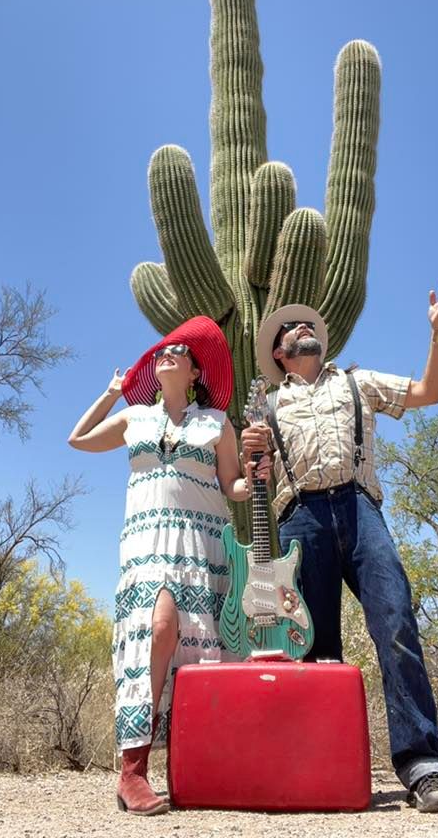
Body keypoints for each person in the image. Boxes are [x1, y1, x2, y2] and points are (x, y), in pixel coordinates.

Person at [241, 276, 438, 814]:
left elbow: (429, 393)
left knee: (397, 623)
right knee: (312, 646)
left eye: (307, 324)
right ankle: (325, 769)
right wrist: (256, 462)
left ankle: (422, 767)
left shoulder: (358, 383)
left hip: (361, 508)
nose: (302, 328)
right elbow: (254, 483)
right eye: (291, 329)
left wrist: (437, 334)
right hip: (299, 519)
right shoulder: (265, 407)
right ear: (280, 353)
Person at [68, 316, 267, 816]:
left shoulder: (216, 423)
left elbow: (232, 487)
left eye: (178, 350)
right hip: (145, 540)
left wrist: (257, 476)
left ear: (196, 371)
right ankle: (132, 769)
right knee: (157, 631)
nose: (166, 354)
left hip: (204, 542)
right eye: (163, 351)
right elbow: (79, 439)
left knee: (200, 650)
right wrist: (113, 392)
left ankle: (194, 766)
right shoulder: (134, 418)